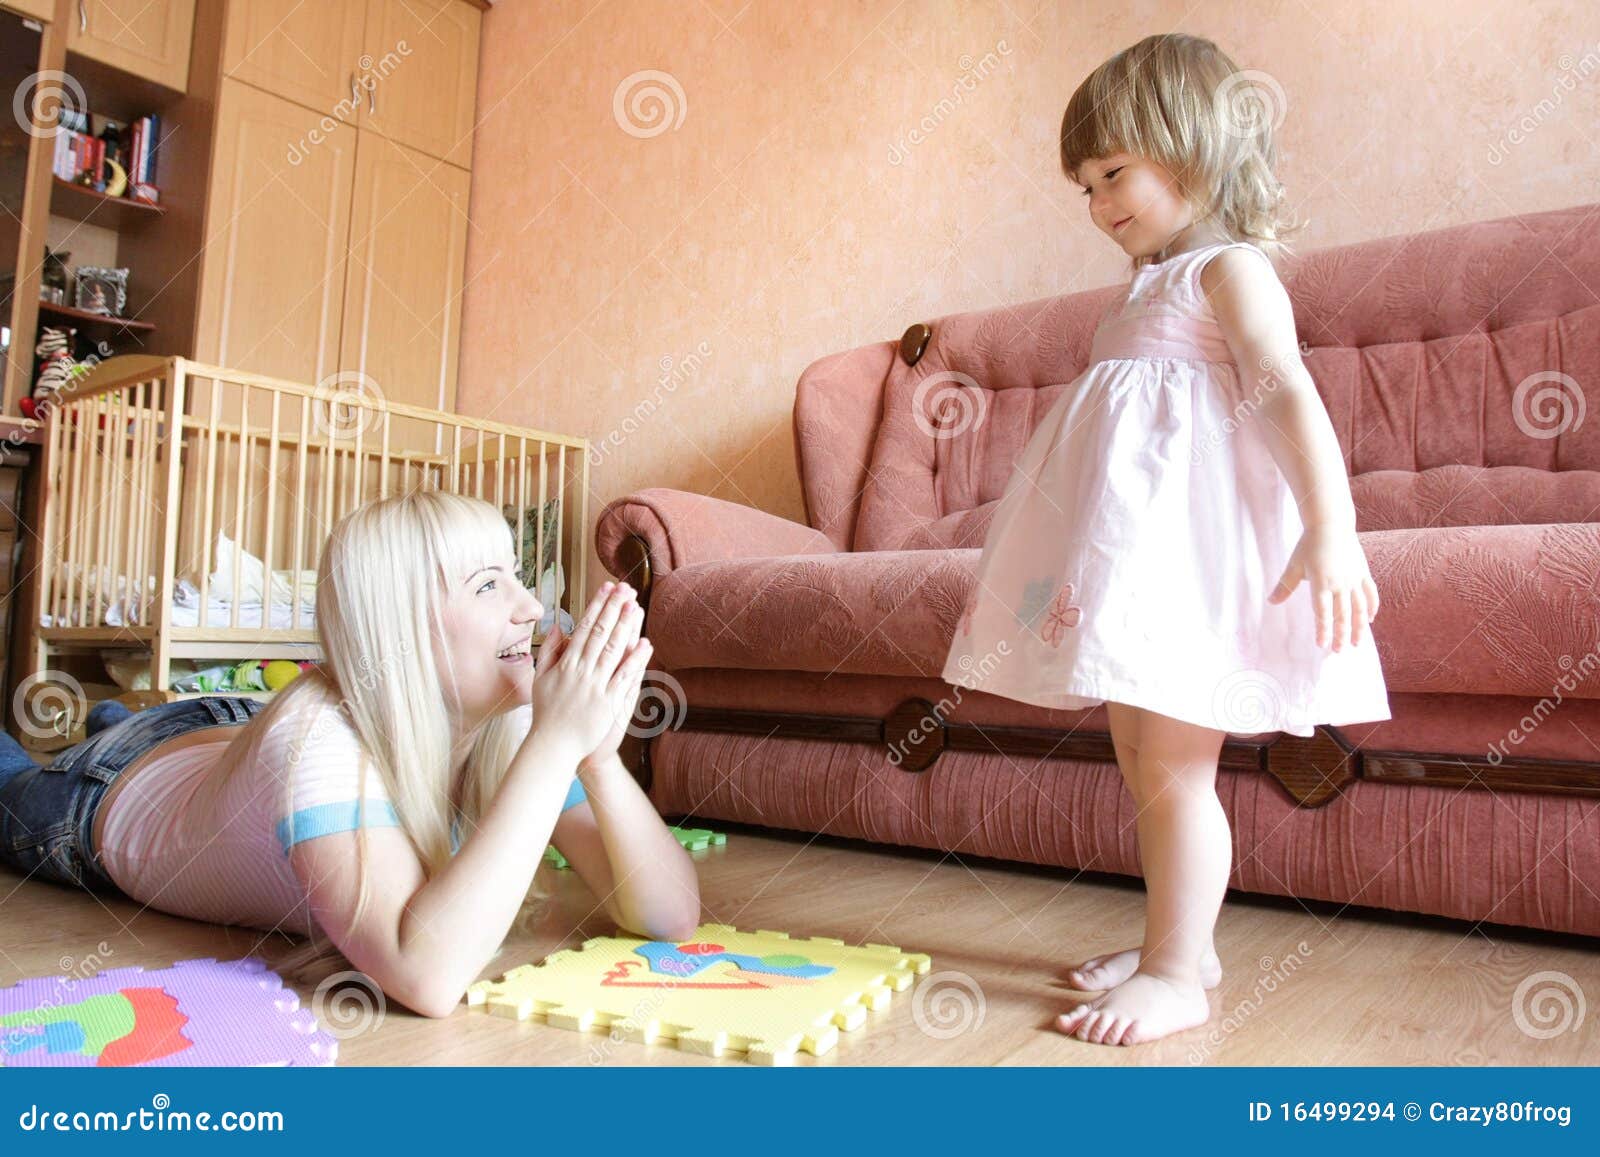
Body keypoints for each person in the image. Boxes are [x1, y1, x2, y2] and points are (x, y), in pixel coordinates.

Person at [941, 33, 1389, 1046]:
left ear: (1189, 146)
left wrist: (1330, 527)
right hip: (1128, 569)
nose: (1098, 205)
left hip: (1186, 572)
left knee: (1178, 768)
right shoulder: (1146, 282)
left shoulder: (1230, 272)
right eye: (1085, 187)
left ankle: (1176, 972)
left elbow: (1284, 390)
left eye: (1112, 174)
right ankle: (1182, 941)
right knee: (1141, 756)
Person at [0, 490, 700, 1018]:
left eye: (518, 576)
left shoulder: (511, 722)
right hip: (113, 787)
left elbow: (671, 916)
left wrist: (597, 755)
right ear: (397, 632)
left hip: (229, 729)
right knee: (15, 777)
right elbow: (426, 976)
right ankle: (110, 726)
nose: (532, 607)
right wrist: (557, 745)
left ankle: (117, 713)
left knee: (161, 724)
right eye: (488, 585)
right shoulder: (319, 739)